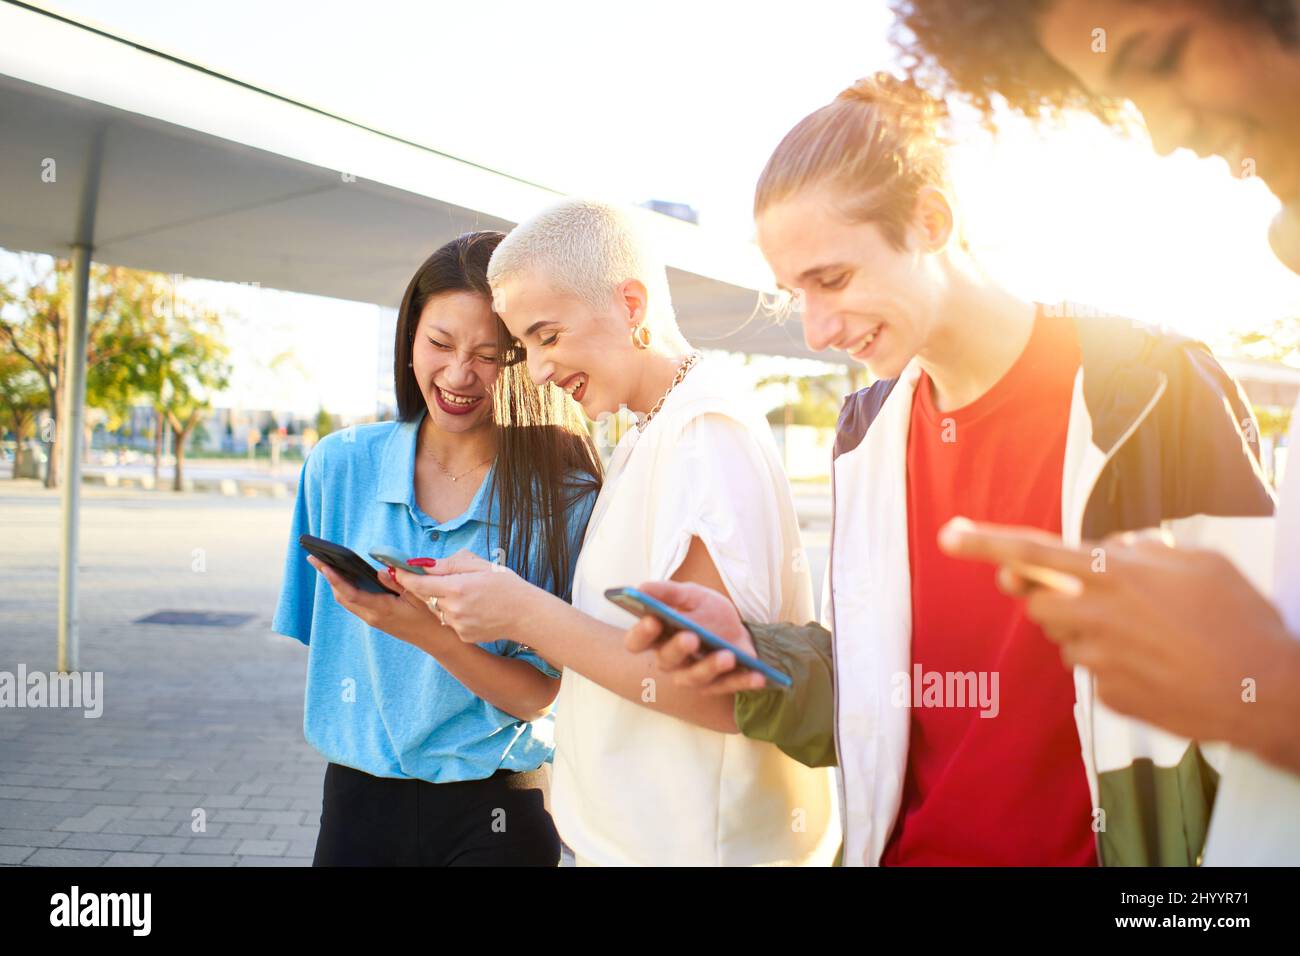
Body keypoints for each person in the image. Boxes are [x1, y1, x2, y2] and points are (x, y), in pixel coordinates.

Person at [622, 75, 1275, 866]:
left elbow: (1267, 692)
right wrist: (753, 652)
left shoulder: (1154, 389)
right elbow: (893, 701)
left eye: (832, 280)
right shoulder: (866, 438)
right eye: (795, 293)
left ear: (932, 220)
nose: (818, 328)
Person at [889, 0, 1300, 863]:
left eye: (1163, 57)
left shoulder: (1159, 380)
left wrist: (1268, 694)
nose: (1162, 136)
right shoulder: (868, 436)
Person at [387, 198, 838, 866]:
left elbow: (716, 691)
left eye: (546, 336)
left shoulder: (700, 434)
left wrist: (522, 611)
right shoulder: (654, 429)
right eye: (525, 347)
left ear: (631, 305)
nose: (536, 371)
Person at [271, 231, 601, 866]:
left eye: (489, 355)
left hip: (499, 812)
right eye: (440, 344)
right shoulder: (337, 467)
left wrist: (427, 632)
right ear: (409, 340)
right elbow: (338, 656)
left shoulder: (567, 497)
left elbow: (540, 695)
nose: (458, 375)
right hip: (356, 806)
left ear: (525, 359)